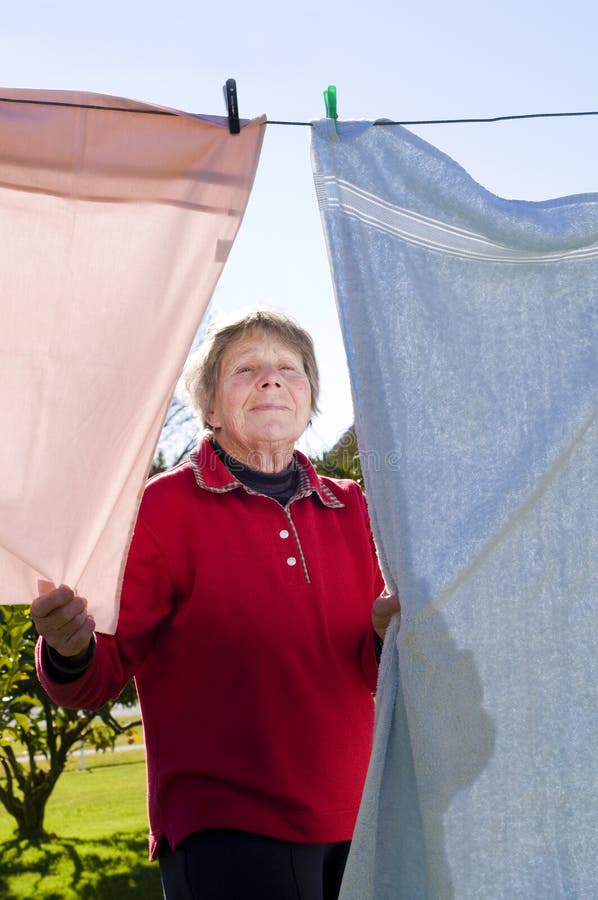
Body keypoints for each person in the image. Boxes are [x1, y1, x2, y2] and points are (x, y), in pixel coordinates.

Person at [32, 309, 400, 900]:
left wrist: (385, 636)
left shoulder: (356, 506)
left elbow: (370, 670)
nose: (271, 380)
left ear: (310, 400)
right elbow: (95, 678)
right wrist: (69, 648)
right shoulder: (159, 509)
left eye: (289, 369)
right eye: (245, 369)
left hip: (360, 818)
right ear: (207, 405)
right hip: (226, 830)